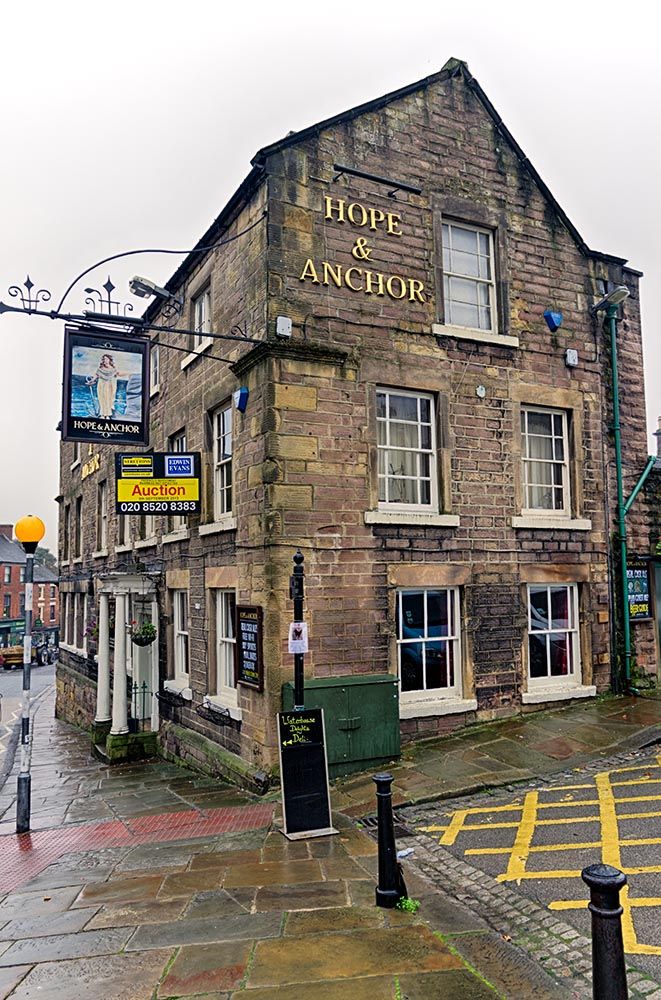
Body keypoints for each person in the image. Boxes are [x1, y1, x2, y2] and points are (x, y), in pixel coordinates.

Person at [85, 353, 128, 419]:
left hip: (110, 387)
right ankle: (102, 414)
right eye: (104, 359)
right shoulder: (100, 369)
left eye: (106, 359)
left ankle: (107, 415)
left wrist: (129, 374)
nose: (105, 360)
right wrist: (91, 382)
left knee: (108, 400)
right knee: (102, 400)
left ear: (109, 360)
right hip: (101, 386)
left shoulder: (113, 369)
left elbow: (118, 374)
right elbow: (96, 376)